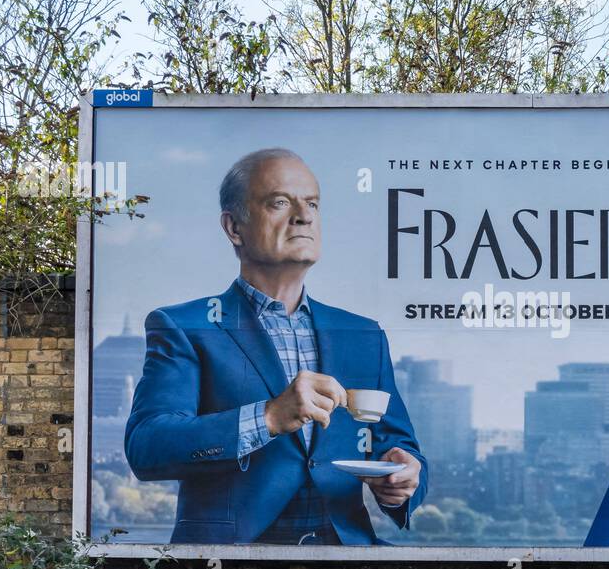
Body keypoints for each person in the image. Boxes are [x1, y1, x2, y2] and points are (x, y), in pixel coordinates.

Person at [124, 147, 427, 545]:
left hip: (349, 561)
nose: (304, 216)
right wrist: (267, 417)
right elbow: (147, 447)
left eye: (313, 203)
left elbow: (398, 445)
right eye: (280, 202)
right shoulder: (183, 326)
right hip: (228, 564)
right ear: (234, 228)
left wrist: (404, 477)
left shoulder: (364, 335)